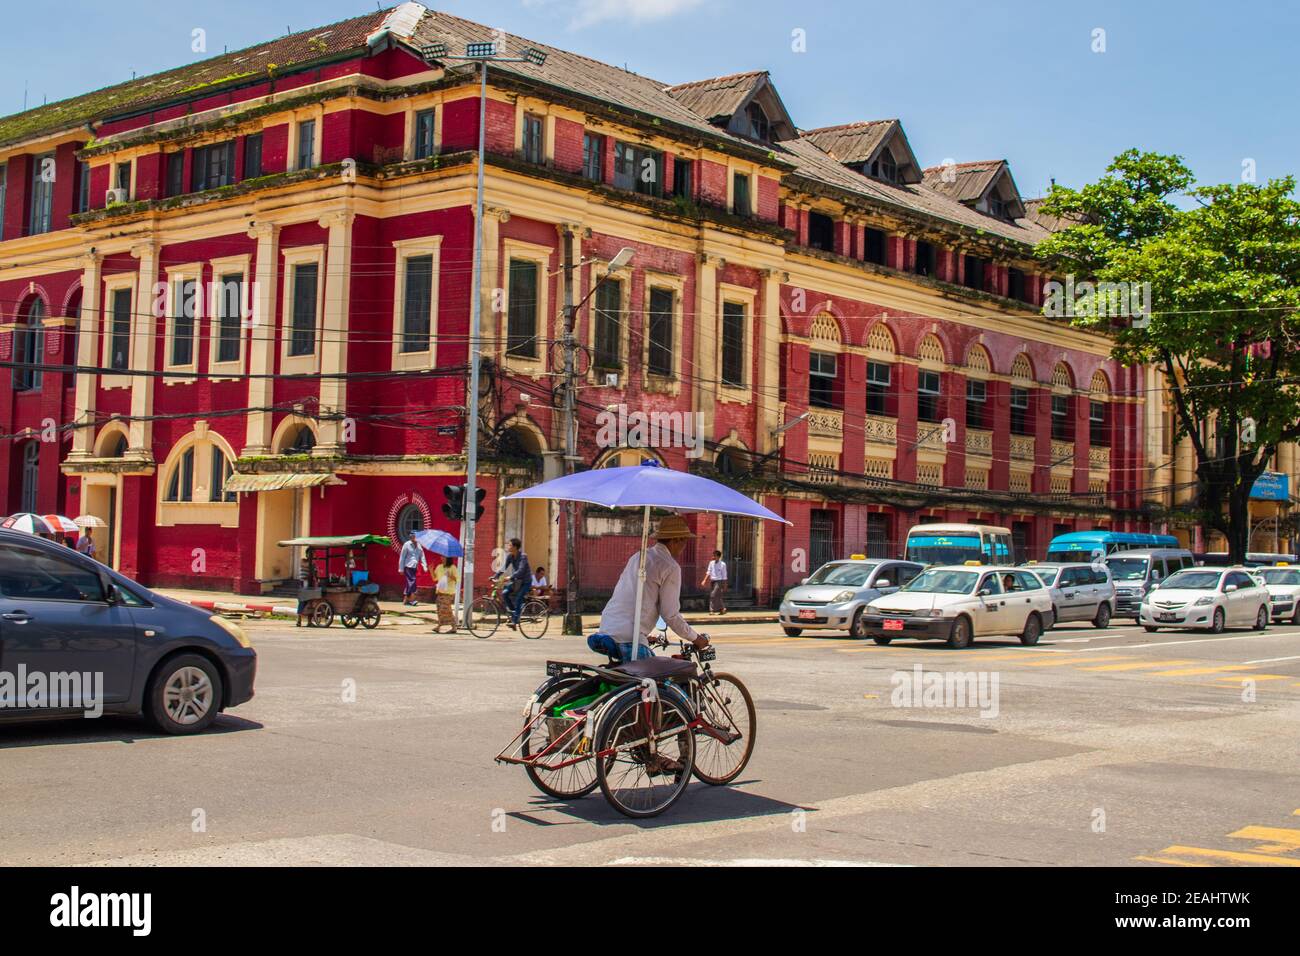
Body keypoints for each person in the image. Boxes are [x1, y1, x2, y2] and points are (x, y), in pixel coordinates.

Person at [589, 514, 710, 664]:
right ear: (676, 540)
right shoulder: (670, 567)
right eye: (684, 541)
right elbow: (670, 615)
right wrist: (696, 638)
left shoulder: (638, 556)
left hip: (608, 628)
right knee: (661, 683)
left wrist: (645, 636)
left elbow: (632, 596)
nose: (684, 547)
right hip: (629, 637)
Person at [498, 538, 531, 629]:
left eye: (510, 545)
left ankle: (515, 621)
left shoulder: (523, 556)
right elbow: (503, 568)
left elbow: (521, 570)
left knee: (518, 599)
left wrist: (510, 577)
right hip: (516, 582)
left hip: (525, 582)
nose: (508, 547)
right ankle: (514, 615)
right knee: (505, 593)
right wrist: (495, 576)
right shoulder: (510, 556)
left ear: (515, 547)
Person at [399, 530, 427, 606]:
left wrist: (424, 566)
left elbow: (422, 556)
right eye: (412, 536)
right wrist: (401, 569)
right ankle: (412, 599)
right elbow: (402, 557)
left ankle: (405, 599)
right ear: (410, 537)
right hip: (408, 566)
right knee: (412, 581)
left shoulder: (419, 546)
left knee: (410, 583)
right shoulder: (406, 545)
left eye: (415, 536)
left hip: (415, 567)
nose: (413, 538)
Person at [434, 555, 459, 633]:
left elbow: (457, 579)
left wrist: (450, 576)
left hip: (448, 592)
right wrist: (431, 570)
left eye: (444, 557)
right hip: (440, 592)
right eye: (441, 556)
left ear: (448, 558)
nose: (442, 558)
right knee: (439, 609)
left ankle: (454, 626)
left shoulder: (452, 567)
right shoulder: (439, 567)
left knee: (446, 609)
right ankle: (439, 626)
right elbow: (435, 579)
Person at [702, 549, 728, 614]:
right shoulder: (711, 563)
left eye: (715, 555)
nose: (713, 557)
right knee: (718, 596)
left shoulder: (723, 564)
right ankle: (722, 609)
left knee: (713, 595)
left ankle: (711, 610)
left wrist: (725, 585)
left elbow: (724, 575)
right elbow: (708, 572)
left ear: (719, 557)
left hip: (719, 582)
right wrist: (704, 580)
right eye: (713, 555)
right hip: (712, 581)